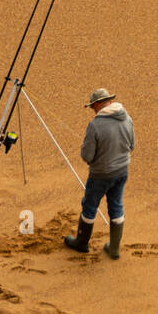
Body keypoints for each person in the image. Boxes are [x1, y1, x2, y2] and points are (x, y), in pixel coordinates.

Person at [64, 87, 134, 258]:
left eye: (93, 107)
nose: (92, 110)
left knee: (89, 206)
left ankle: (81, 243)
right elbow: (132, 146)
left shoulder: (95, 125)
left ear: (98, 104)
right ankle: (114, 249)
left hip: (101, 175)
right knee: (116, 205)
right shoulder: (127, 118)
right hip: (122, 170)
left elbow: (87, 155)